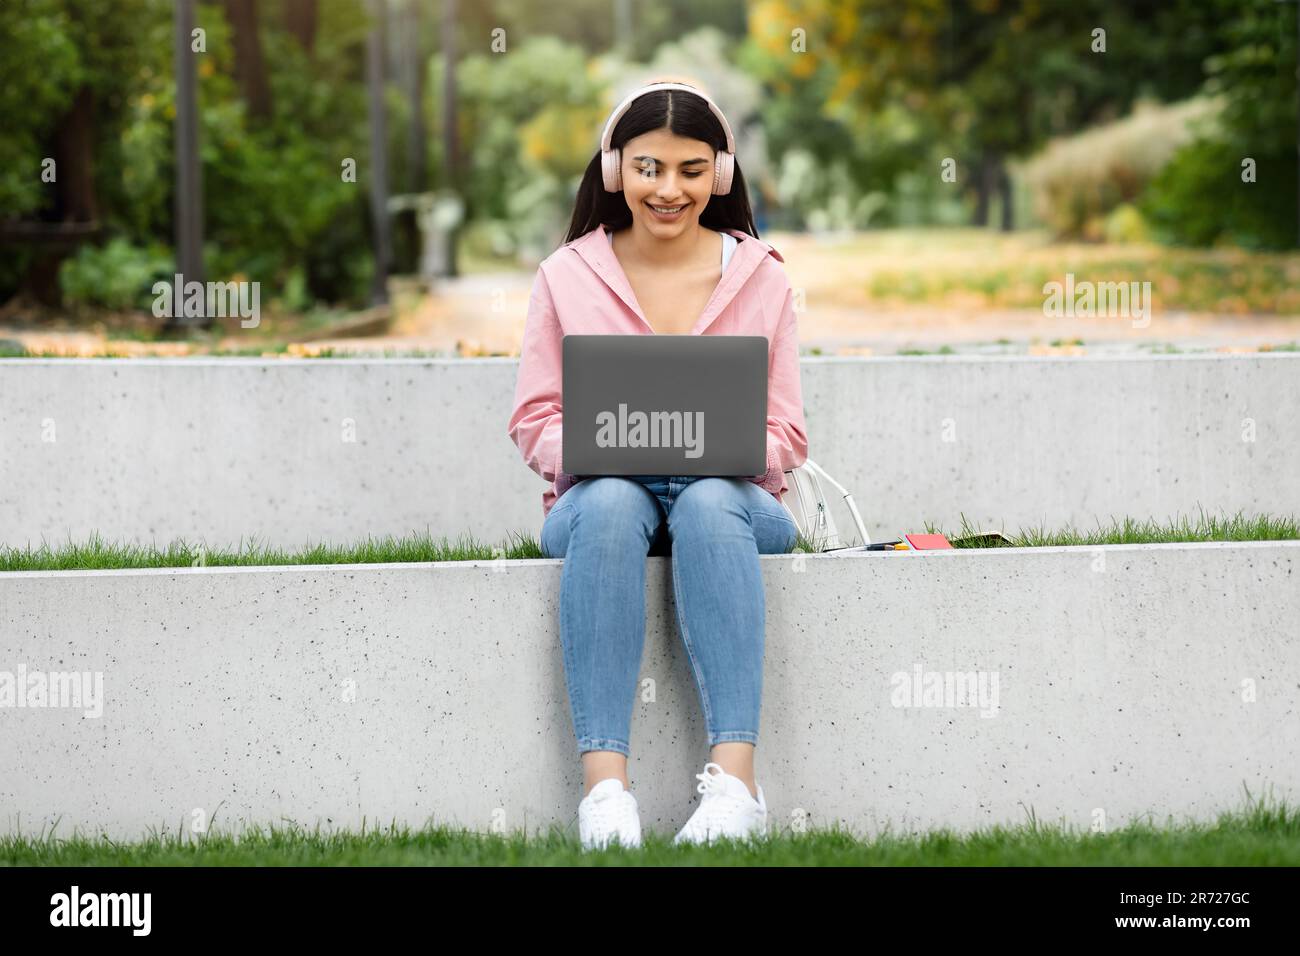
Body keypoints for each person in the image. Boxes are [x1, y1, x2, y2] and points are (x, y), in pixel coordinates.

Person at [505, 80, 808, 850]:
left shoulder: (763, 277)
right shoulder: (565, 276)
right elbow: (534, 419)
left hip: (734, 503)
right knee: (609, 499)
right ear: (614, 173)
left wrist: (721, 449)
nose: (669, 189)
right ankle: (606, 797)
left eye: (690, 169)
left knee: (707, 498)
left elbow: (788, 435)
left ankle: (736, 789)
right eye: (648, 168)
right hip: (602, 499)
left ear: (722, 175)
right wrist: (613, 450)